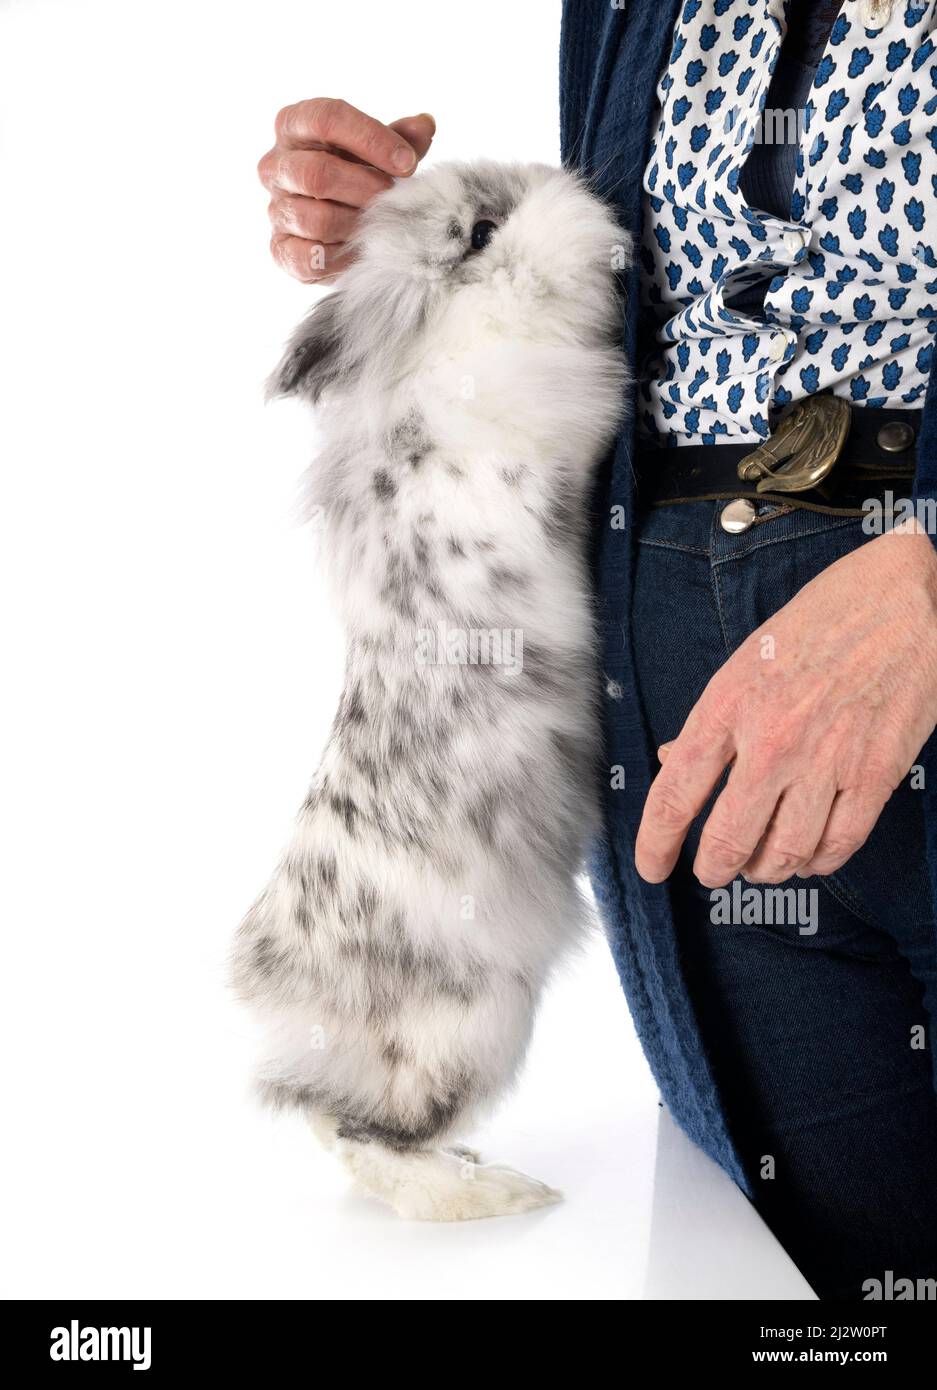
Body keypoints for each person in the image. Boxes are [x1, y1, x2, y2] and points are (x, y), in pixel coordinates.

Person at [256, 0, 937, 1299]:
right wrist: (431, 246)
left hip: (901, 627)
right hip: (682, 706)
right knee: (834, 1279)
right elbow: (673, 295)